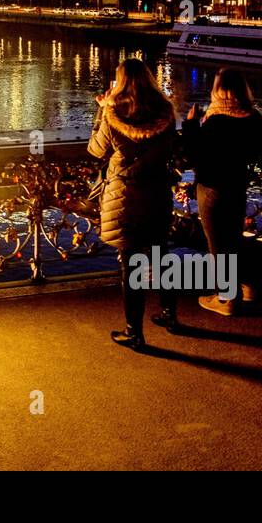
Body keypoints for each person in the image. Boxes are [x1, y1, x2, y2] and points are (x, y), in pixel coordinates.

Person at [88, 57, 178, 350]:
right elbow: (171, 148)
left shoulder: (113, 112)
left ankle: (134, 332)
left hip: (124, 197)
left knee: (131, 264)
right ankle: (170, 314)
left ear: (120, 81)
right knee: (160, 254)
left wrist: (101, 112)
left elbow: (96, 150)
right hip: (157, 192)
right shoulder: (165, 111)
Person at [183, 67, 262, 316]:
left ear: (218, 90)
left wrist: (190, 125)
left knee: (217, 243)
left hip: (212, 187)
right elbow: (256, 152)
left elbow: (195, 156)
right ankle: (243, 285)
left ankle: (226, 298)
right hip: (237, 184)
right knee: (233, 237)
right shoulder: (253, 117)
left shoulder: (216, 121)